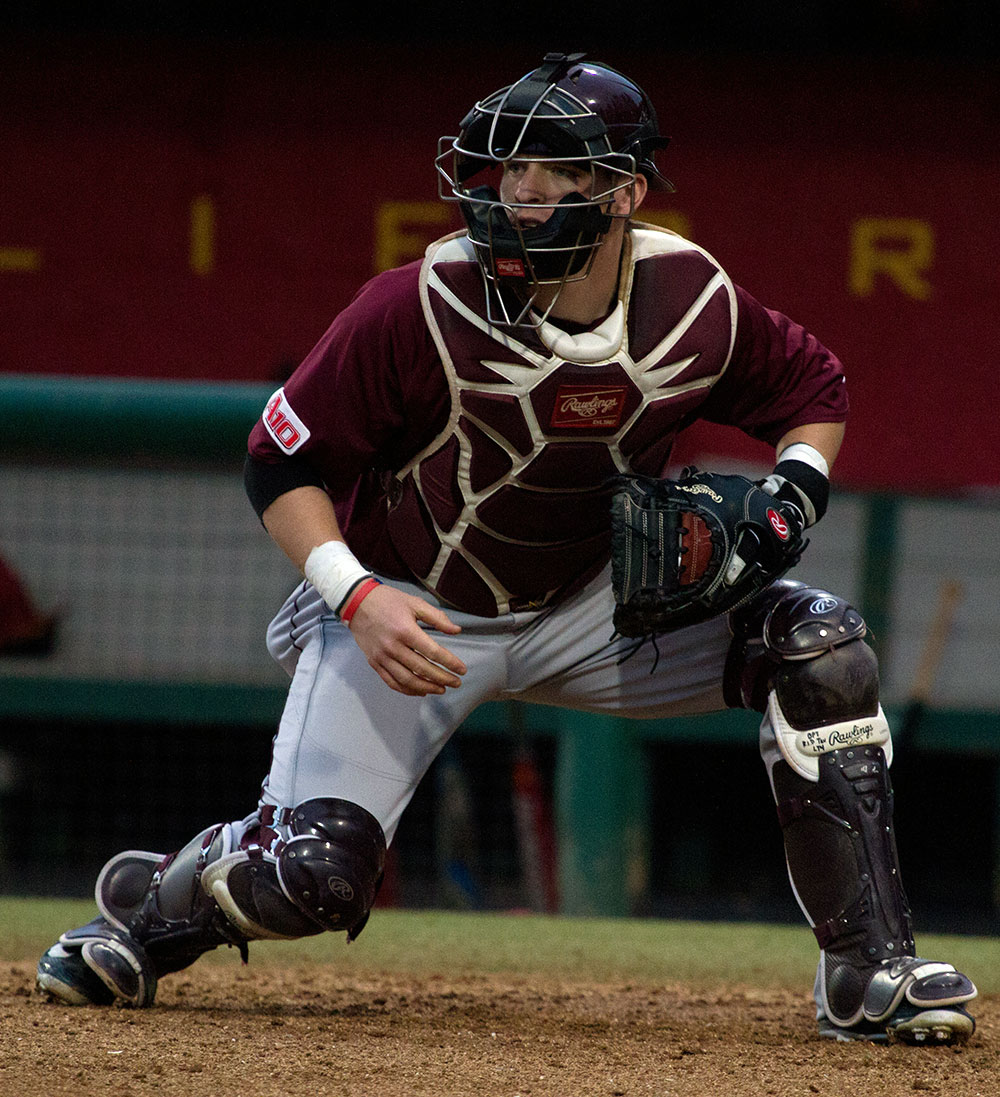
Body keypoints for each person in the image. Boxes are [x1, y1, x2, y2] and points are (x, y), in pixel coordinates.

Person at [37, 52, 976, 1044]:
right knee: (310, 879)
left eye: (551, 170)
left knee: (820, 645)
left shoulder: (691, 298)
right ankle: (150, 910)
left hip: (593, 605)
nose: (516, 194)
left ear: (622, 191)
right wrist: (356, 594)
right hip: (408, 609)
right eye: (505, 170)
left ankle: (869, 972)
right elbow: (277, 463)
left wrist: (793, 493)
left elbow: (812, 388)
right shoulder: (417, 303)